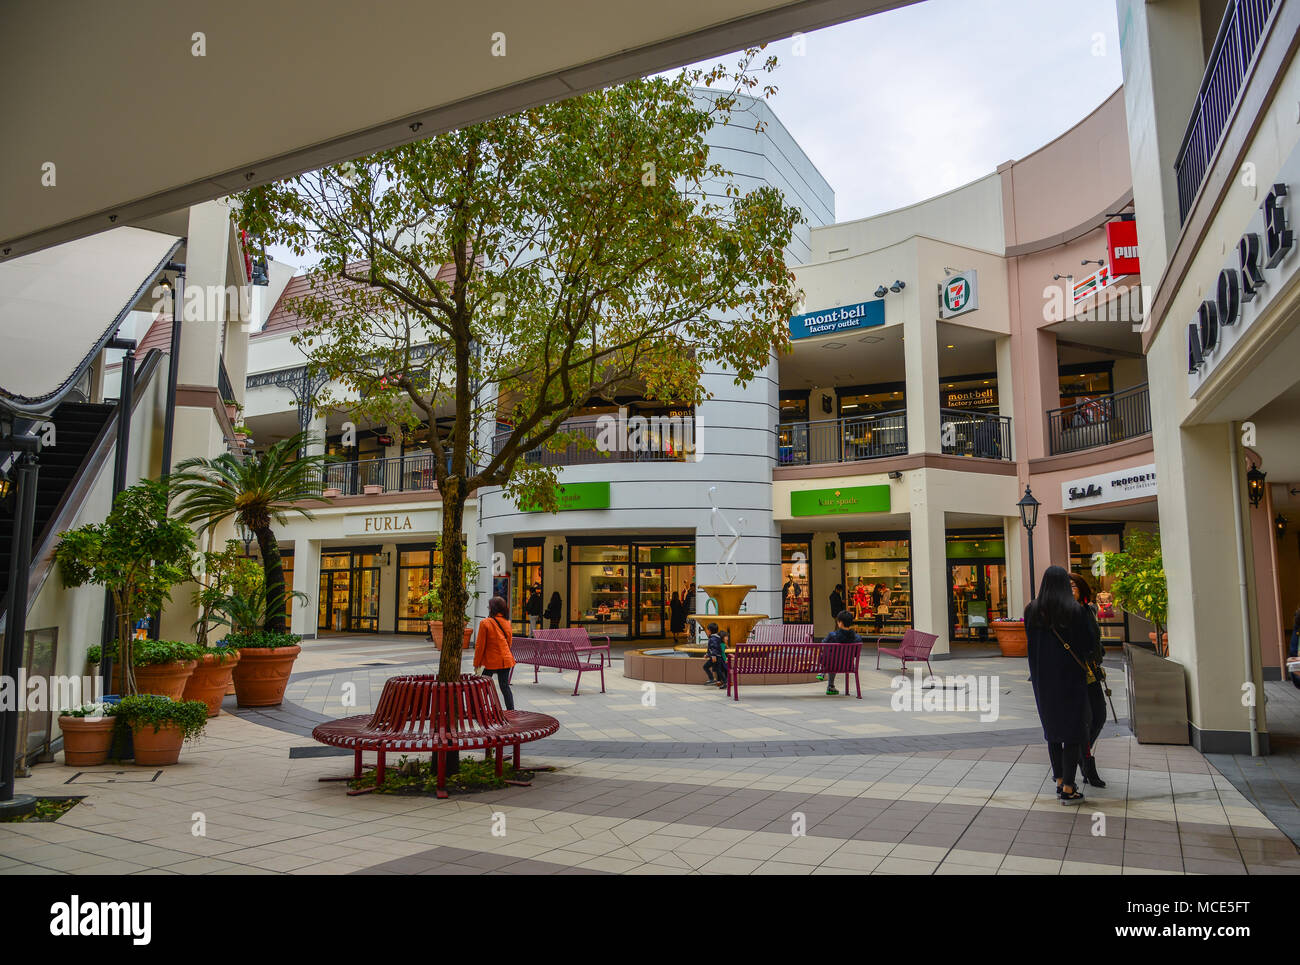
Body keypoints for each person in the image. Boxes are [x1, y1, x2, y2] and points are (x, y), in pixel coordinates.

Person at [1026, 565, 1099, 805]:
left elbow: (1030, 643)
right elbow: (1089, 643)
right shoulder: (1075, 610)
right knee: (1074, 731)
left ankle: (1059, 780)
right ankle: (1069, 786)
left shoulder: (1032, 610)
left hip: (1042, 679)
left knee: (1053, 730)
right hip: (1070, 678)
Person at [1069, 572, 1108, 788]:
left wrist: (1098, 654)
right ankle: (1087, 764)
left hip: (1091, 671)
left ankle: (1079, 756)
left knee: (1099, 716)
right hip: (1074, 674)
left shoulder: (1088, 610)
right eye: (1068, 587)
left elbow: (1094, 640)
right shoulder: (1064, 614)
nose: (1071, 590)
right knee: (1084, 721)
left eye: (1074, 586)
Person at [474, 596, 517, 711]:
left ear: (492, 608)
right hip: (506, 660)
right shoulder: (507, 622)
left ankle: (479, 710)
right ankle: (511, 710)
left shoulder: (485, 623)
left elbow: (480, 646)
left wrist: (476, 663)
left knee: (483, 686)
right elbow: (509, 643)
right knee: (504, 687)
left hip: (490, 661)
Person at [821, 610, 861, 696]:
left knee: (830, 654)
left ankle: (822, 672)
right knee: (834, 657)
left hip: (831, 665)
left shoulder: (832, 635)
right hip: (848, 666)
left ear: (840, 623)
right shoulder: (857, 638)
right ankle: (830, 686)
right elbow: (855, 655)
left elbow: (822, 645)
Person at [702, 622, 728, 689]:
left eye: (707, 630)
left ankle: (712, 679)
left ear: (710, 631)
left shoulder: (713, 638)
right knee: (718, 670)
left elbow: (714, 647)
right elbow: (711, 648)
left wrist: (713, 655)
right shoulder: (716, 638)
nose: (706, 632)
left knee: (705, 667)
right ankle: (725, 682)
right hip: (717, 657)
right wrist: (707, 654)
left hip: (715, 657)